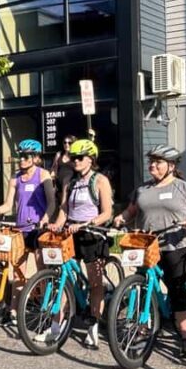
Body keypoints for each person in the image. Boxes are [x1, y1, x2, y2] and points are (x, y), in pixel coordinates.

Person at [114, 144, 186, 361]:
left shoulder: (184, 188)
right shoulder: (142, 190)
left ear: (171, 166)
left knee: (177, 291)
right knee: (141, 285)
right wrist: (121, 218)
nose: (152, 165)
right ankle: (142, 326)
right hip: (146, 246)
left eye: (158, 162)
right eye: (151, 161)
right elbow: (131, 211)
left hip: (173, 246)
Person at [50, 139, 114, 349]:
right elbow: (64, 209)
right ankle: (55, 326)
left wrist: (88, 223)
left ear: (91, 159)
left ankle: (93, 327)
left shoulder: (100, 180)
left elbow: (107, 212)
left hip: (93, 233)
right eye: (73, 158)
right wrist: (56, 225)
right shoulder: (71, 182)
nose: (75, 161)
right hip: (72, 233)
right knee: (63, 277)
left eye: (80, 158)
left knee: (95, 283)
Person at [0, 139, 57, 310]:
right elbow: (8, 204)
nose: (22, 159)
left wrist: (46, 218)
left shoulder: (43, 175)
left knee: (42, 271)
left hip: (38, 229)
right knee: (17, 272)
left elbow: (52, 202)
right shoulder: (15, 178)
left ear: (35, 157)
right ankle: (14, 309)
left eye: (26, 156)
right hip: (20, 230)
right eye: (21, 156)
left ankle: (44, 308)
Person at [50, 134, 76, 206]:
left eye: (69, 143)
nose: (66, 144)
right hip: (59, 188)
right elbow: (54, 168)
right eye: (65, 142)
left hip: (71, 188)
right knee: (61, 207)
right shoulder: (59, 154)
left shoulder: (76, 156)